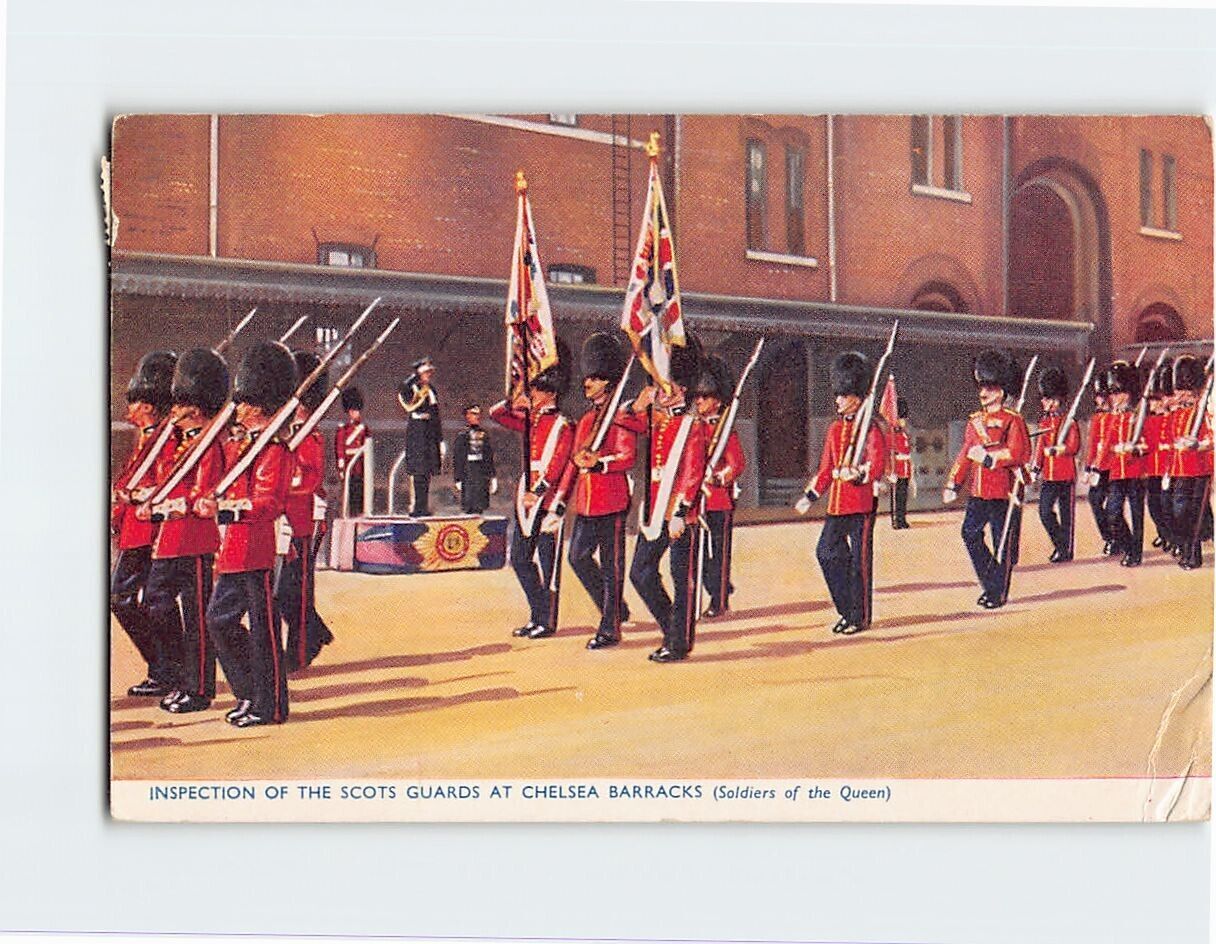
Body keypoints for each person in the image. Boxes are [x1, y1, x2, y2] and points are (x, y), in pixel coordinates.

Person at [199, 341, 296, 728]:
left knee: (264, 634)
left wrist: (223, 508)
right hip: (234, 549)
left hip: (256, 549)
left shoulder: (274, 450)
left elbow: (268, 504)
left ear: (257, 405)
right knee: (218, 620)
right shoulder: (246, 447)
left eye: (243, 402)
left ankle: (268, 706)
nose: (237, 408)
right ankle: (249, 694)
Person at [138, 347, 229, 713]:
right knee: (155, 603)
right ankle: (178, 672)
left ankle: (199, 688)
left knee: (197, 620)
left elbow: (204, 493)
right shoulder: (181, 444)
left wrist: (169, 506)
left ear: (194, 407)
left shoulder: (208, 447)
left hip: (194, 538)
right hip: (172, 538)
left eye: (179, 405)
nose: (172, 411)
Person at [621, 338, 707, 663]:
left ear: (681, 389)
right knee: (640, 573)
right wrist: (637, 405)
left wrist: (680, 512)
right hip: (655, 511)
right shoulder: (656, 421)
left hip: (679, 515)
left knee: (680, 580)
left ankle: (678, 642)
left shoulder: (690, 424)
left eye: (664, 386)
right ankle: (674, 629)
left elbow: (693, 472)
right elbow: (622, 421)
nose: (660, 391)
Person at [550, 333, 637, 650]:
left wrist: (599, 463)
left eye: (596, 378)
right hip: (586, 503)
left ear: (609, 383)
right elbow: (573, 463)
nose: (588, 383)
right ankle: (616, 608)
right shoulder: (587, 420)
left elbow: (627, 457)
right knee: (577, 557)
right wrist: (561, 502)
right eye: (588, 377)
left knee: (613, 566)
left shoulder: (622, 418)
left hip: (612, 499)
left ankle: (610, 627)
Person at [795, 351, 887, 635]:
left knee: (859, 564)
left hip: (860, 503)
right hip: (837, 504)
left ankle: (859, 617)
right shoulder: (835, 430)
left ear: (857, 397)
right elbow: (825, 469)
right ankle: (846, 608)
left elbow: (877, 463)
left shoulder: (870, 429)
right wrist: (810, 496)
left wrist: (858, 474)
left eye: (843, 395)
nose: (837, 400)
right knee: (826, 552)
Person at [489, 344, 574, 639]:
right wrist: (517, 392)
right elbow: (498, 413)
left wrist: (539, 494)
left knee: (548, 566)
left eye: (537, 389)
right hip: (526, 496)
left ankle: (547, 621)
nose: (534, 394)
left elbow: (558, 464)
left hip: (546, 500)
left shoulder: (563, 424)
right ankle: (537, 614)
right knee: (521, 559)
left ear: (551, 392)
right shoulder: (531, 419)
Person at [110, 350, 178, 697]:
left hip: (150, 532)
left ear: (150, 405)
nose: (130, 410)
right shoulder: (146, 438)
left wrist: (134, 497)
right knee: (128, 599)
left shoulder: (165, 441)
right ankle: (163, 666)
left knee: (133, 599)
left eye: (135, 403)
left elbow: (166, 484)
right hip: (133, 531)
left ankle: (166, 667)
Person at [942, 349, 1030, 610]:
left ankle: (997, 592)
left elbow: (1019, 452)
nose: (983, 394)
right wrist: (953, 483)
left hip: (1002, 490)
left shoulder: (1013, 420)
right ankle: (991, 582)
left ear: (1001, 391)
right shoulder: (975, 422)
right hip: (978, 491)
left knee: (1000, 543)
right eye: (982, 387)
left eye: (989, 389)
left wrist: (990, 458)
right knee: (969, 534)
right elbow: (965, 454)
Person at [279, 349, 333, 673]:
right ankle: (314, 632)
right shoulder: (287, 430)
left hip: (303, 517)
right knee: (285, 589)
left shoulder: (308, 434)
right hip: (283, 517)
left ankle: (300, 651)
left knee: (295, 589)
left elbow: (307, 479)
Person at [692, 354, 745, 619]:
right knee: (700, 556)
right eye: (697, 396)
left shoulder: (726, 432)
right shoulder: (694, 429)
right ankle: (718, 587)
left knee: (718, 554)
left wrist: (719, 477)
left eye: (704, 396)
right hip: (696, 500)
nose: (699, 401)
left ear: (717, 400)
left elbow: (736, 464)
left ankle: (719, 600)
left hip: (718, 500)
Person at [1098, 361, 1148, 567]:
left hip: (1136, 471)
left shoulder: (1138, 417)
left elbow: (1147, 445)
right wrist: (1097, 468)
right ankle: (1128, 545)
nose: (1116, 398)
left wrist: (1133, 449)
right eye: (1113, 393)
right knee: (1113, 512)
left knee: (1137, 515)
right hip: (1117, 472)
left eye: (1120, 393)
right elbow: (1107, 445)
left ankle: (1135, 553)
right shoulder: (1113, 418)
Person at [1166, 354, 1213, 570]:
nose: (1183, 395)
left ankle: (1193, 554)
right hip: (1180, 470)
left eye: (1187, 391)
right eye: (1180, 391)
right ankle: (1186, 546)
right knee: (1179, 512)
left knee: (1193, 513)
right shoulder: (1176, 415)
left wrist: (1198, 445)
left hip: (1200, 469)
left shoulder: (1205, 412)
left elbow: (1212, 439)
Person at [1030, 365, 1080, 563]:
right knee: (1044, 512)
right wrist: (1036, 468)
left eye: (1049, 399)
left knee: (1067, 516)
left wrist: (1059, 450)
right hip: (1049, 476)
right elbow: (1040, 447)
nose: (1046, 403)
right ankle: (1061, 544)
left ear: (1059, 399)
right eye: (1044, 399)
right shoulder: (1044, 423)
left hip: (1066, 475)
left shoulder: (1070, 422)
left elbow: (1074, 445)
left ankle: (1066, 550)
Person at [398, 356, 443, 516]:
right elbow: (403, 390)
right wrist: (414, 377)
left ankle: (423, 506)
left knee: (427, 472)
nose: (428, 375)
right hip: (417, 432)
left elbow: (436, 415)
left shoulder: (431, 390)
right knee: (417, 472)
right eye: (425, 372)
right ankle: (417, 506)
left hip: (429, 433)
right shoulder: (412, 388)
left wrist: (440, 439)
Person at [1143, 360, 1175, 553]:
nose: (1153, 404)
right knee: (1154, 505)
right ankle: (1163, 534)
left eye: (1157, 399)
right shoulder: (1147, 420)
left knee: (1167, 506)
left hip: (1168, 469)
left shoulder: (1173, 418)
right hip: (1152, 469)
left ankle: (1173, 537)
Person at [1083, 371, 1115, 554]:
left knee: (1113, 506)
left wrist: (1096, 466)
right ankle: (1109, 536)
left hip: (1113, 466)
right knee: (1094, 501)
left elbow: (1109, 443)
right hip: (1100, 468)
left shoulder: (1115, 417)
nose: (1100, 400)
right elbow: (1093, 445)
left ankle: (1117, 537)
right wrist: (1089, 466)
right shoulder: (1097, 418)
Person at [451, 404, 497, 514]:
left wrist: (492, 476)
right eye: (473, 414)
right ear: (467, 416)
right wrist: (457, 478)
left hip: (481, 470)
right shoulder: (462, 435)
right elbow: (457, 459)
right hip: (468, 470)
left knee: (480, 501)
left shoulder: (484, 434)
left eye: (478, 414)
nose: (477, 417)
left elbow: (488, 457)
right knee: (469, 501)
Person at [335, 386, 369, 516]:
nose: (356, 413)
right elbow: (340, 448)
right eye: (354, 411)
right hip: (349, 463)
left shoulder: (363, 428)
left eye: (357, 411)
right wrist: (341, 466)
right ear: (349, 412)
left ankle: (358, 512)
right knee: (348, 492)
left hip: (359, 465)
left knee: (359, 491)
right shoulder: (343, 429)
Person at [888, 397, 913, 530]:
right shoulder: (892, 434)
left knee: (903, 496)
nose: (904, 421)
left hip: (905, 467)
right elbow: (889, 453)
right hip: (896, 468)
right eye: (902, 418)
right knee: (896, 496)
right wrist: (890, 471)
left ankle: (902, 518)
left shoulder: (903, 434)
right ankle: (896, 520)